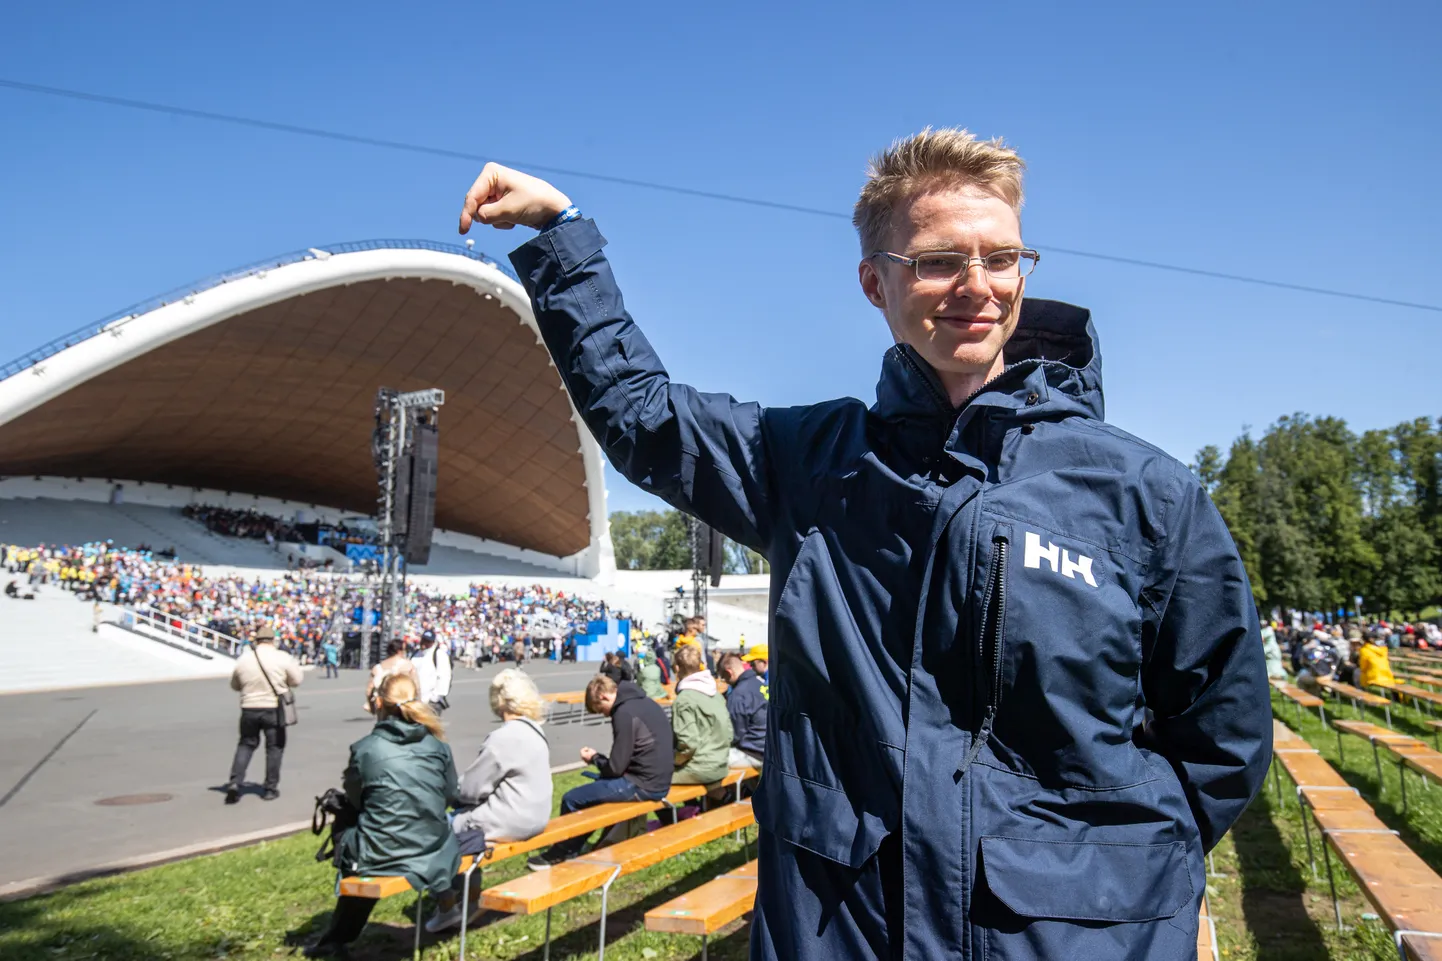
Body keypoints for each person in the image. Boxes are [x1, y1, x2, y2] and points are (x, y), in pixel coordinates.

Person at [460, 130, 1270, 958]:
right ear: (874, 282)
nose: (977, 286)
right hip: (844, 929)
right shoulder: (811, 463)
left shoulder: (1143, 493)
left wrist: (1116, 875)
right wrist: (559, 234)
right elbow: (643, 415)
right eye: (939, 260)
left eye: (1003, 258)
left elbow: (1222, 740)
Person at [304, 674, 460, 958]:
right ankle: (447, 902)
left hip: (381, 851)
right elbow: (450, 794)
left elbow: (355, 798)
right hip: (432, 845)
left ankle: (338, 934)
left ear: (379, 703)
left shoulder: (365, 749)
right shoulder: (438, 745)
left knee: (347, 822)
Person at [427, 669, 552, 932]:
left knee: (440, 830)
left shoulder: (503, 737)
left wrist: (450, 791)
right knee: (465, 825)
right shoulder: (535, 732)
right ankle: (467, 897)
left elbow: (472, 789)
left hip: (511, 819)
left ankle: (448, 904)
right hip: (536, 816)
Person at [527, 674, 672, 868]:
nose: (604, 715)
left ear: (604, 697)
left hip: (643, 784)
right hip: (661, 779)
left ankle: (561, 852)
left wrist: (594, 758)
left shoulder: (623, 713)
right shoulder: (645, 702)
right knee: (593, 793)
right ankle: (573, 846)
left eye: (600, 710)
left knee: (572, 799)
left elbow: (616, 767)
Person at [224, 625, 303, 803]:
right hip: (273, 707)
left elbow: (234, 685)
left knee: (246, 744)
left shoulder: (244, 660)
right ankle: (270, 788)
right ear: (273, 640)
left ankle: (235, 782)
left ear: (256, 640)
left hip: (249, 707)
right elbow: (297, 680)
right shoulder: (282, 658)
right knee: (274, 747)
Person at [670, 643, 733, 785]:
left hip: (699, 768)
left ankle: (687, 808)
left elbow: (688, 743)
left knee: (654, 781)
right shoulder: (715, 694)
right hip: (721, 763)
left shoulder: (684, 699)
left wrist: (674, 760)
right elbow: (729, 732)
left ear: (677, 668)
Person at [718, 652, 767, 771]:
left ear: (729, 672)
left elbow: (733, 736)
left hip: (754, 752)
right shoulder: (761, 684)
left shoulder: (738, 695)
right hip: (772, 748)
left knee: (709, 761)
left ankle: (723, 791)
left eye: (724, 678)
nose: (725, 682)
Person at [366, 638, 417, 714]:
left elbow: (369, 691)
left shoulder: (377, 668)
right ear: (399, 651)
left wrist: (372, 707)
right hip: (403, 704)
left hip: (383, 705)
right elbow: (416, 686)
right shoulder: (408, 666)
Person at [412, 629, 453, 714]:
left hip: (430, 701)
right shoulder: (415, 654)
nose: (424, 643)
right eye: (423, 640)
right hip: (415, 700)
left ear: (432, 642)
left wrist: (435, 697)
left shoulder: (439, 654)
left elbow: (444, 676)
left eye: (428, 641)